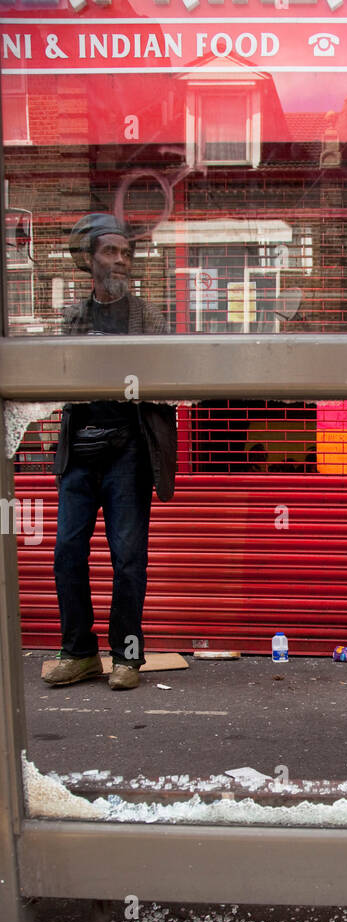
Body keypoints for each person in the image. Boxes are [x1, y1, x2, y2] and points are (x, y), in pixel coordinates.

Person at [43, 214, 177, 692]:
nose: (120, 261)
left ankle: (128, 657)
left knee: (127, 558)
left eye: (126, 253)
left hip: (128, 453)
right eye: (110, 252)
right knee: (66, 553)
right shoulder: (74, 318)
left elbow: (171, 377)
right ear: (91, 260)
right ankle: (79, 652)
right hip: (78, 449)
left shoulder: (147, 317)